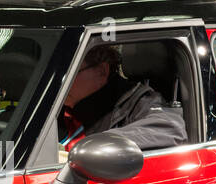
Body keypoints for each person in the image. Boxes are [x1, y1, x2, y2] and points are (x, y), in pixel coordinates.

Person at [57, 43, 187, 150]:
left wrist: (98, 144)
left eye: (69, 75)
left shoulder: (138, 101)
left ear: (102, 71)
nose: (61, 84)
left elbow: (171, 129)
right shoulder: (56, 106)